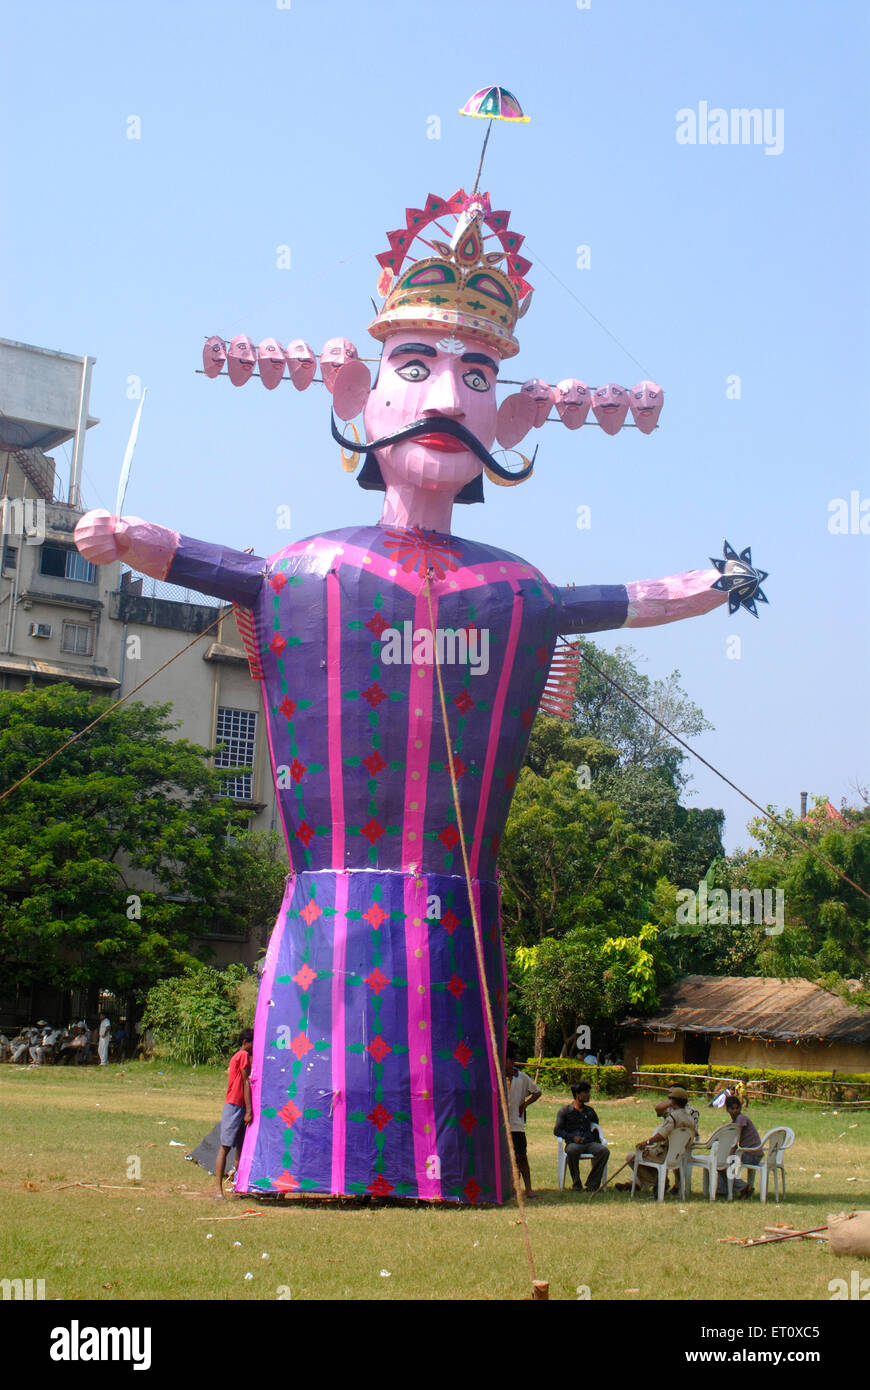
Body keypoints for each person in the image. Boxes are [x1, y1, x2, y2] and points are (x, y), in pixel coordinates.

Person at [73, 183, 757, 1205]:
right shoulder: (307, 570)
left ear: (512, 410)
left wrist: (711, 586)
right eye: (415, 363)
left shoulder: (513, 588)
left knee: (440, 1011)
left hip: (454, 901)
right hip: (333, 893)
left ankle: (436, 1165)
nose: (446, 392)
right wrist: (129, 539)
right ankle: (312, 1157)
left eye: (476, 371)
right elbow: (211, 562)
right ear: (360, 397)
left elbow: (628, 599)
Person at [618, 1085, 698, 1194]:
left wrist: (646, 1142)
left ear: (673, 1102)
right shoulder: (690, 1118)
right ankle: (658, 1182)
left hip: (663, 1154)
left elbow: (662, 1135)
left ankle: (659, 1182)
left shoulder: (673, 1117)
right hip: (679, 1155)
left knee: (631, 1157)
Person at [215, 1029, 254, 1200]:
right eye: (253, 1042)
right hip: (235, 1105)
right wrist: (248, 1110)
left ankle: (237, 1186)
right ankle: (218, 1190)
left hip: (235, 1105)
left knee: (240, 1147)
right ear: (246, 1042)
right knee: (225, 1147)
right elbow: (246, 1082)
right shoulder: (243, 1055)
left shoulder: (237, 1056)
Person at [553, 1081, 610, 1192]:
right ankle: (576, 1183)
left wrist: (596, 1139)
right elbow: (557, 1130)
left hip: (589, 1142)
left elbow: (596, 1126)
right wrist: (572, 1137)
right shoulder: (565, 1111)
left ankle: (592, 1184)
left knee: (604, 1151)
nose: (588, 1095)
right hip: (574, 1143)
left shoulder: (590, 1111)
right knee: (572, 1150)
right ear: (577, 1094)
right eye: (585, 1092)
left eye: (588, 1092)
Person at [505, 1043, 542, 1199]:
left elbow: (537, 1092)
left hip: (516, 1124)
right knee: (506, 1158)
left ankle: (528, 1189)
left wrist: (524, 1105)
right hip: (500, 1124)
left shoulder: (522, 1078)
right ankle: (511, 1188)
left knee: (522, 1156)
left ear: (510, 1060)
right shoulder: (496, 1077)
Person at [720, 1095, 764, 1198]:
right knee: (723, 1162)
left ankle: (742, 1187)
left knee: (722, 1163)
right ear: (727, 1109)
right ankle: (723, 1190)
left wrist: (729, 1151)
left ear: (740, 1108)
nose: (735, 1111)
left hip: (751, 1154)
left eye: (737, 1108)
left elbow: (734, 1139)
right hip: (749, 1153)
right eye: (732, 1108)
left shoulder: (741, 1119)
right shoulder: (736, 1121)